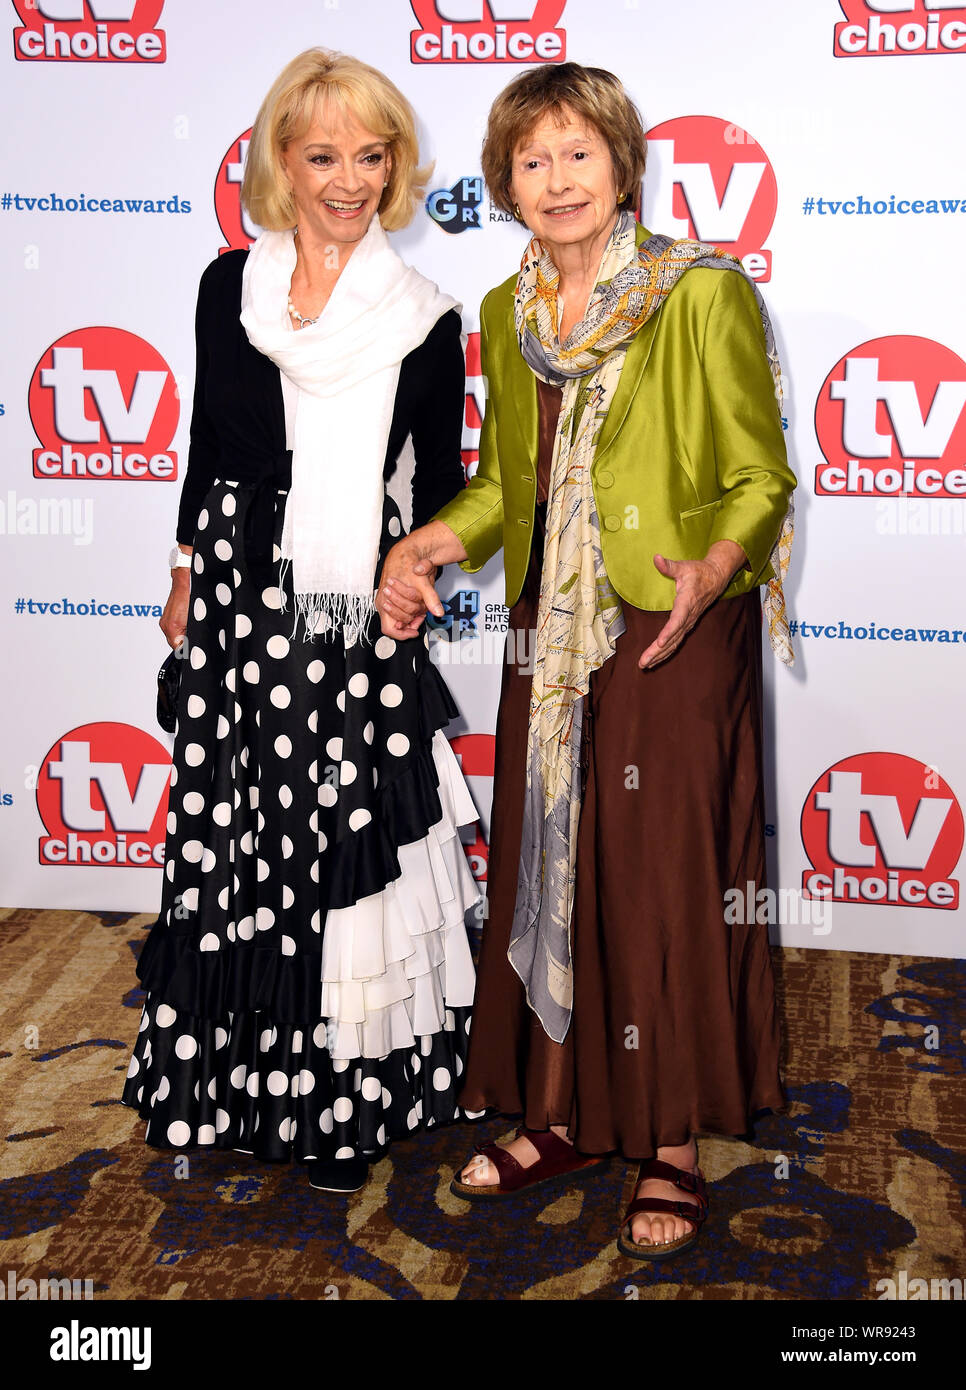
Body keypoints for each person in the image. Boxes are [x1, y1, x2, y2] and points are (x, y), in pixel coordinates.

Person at [376, 62, 796, 1257]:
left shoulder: (698, 294)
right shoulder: (510, 319)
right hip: (550, 644)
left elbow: (760, 476)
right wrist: (433, 542)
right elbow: (512, 485)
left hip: (668, 625)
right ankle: (559, 1110)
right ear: (506, 181)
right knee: (555, 858)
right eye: (533, 158)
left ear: (622, 166)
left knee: (658, 876)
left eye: (579, 154)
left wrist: (717, 569)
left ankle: (666, 1137)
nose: (558, 179)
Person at [122, 48, 480, 1194]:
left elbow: (438, 484)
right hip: (235, 590)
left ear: (395, 165)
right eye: (322, 153)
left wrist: (413, 580)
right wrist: (183, 566)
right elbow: (209, 449)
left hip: (350, 597)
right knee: (234, 836)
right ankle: (223, 1085)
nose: (347, 179)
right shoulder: (226, 284)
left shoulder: (423, 314)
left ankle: (340, 1098)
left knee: (337, 844)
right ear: (281, 159)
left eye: (370, 155)